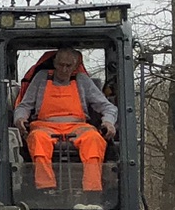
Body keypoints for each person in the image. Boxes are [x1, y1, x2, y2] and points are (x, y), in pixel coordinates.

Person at [13, 46, 118, 193]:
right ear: (54, 63)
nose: (64, 69)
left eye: (68, 66)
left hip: (78, 126)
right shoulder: (41, 78)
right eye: (61, 65)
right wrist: (20, 118)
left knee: (94, 139)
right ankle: (45, 189)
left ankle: (92, 191)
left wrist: (108, 122)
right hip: (45, 126)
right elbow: (24, 106)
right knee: (37, 139)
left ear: (75, 66)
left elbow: (108, 107)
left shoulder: (82, 81)